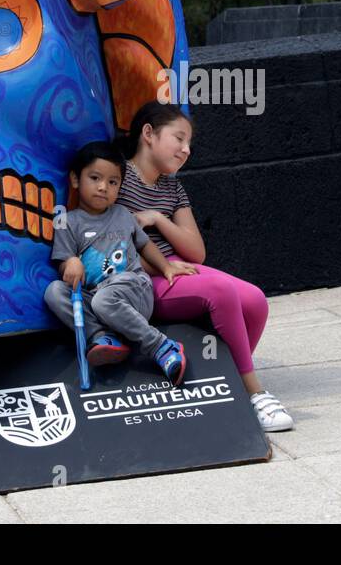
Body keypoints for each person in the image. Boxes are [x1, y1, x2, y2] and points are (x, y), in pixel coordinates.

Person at [113, 101, 295, 432]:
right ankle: (254, 393)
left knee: (254, 300)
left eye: (189, 144)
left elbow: (195, 252)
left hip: (179, 267)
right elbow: (110, 247)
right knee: (221, 290)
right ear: (149, 133)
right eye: (179, 139)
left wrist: (157, 219)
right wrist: (160, 266)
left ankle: (227, 380)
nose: (185, 150)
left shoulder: (172, 187)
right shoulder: (118, 179)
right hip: (139, 276)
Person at [43, 141, 198, 384]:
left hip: (134, 289)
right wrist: (70, 261)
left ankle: (161, 346)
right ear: (75, 179)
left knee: (104, 299)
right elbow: (64, 261)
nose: (103, 187)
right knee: (54, 292)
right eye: (95, 178)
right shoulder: (67, 222)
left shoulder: (122, 215)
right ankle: (103, 337)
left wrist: (166, 266)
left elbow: (144, 245)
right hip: (96, 297)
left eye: (112, 182)